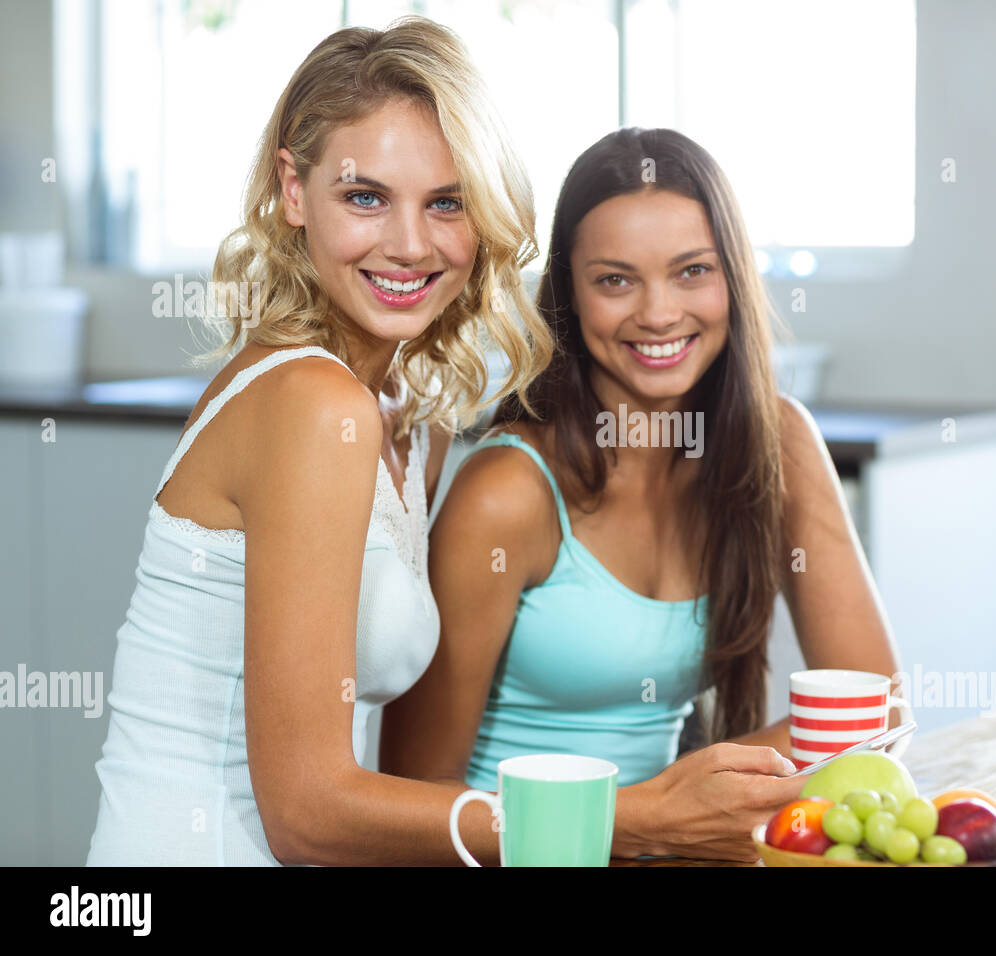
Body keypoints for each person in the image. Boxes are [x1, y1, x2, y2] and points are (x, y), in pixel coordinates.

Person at [85, 16, 551, 865]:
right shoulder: (312, 401)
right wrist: (620, 819)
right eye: (365, 196)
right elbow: (307, 816)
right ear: (294, 192)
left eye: (446, 202)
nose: (411, 245)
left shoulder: (411, 411)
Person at [384, 127, 906, 862]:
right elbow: (410, 802)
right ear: (568, 296)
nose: (659, 313)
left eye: (693, 271)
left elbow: (877, 710)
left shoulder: (780, 444)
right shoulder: (508, 494)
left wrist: (691, 805)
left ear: (734, 278)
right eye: (616, 280)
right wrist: (650, 814)